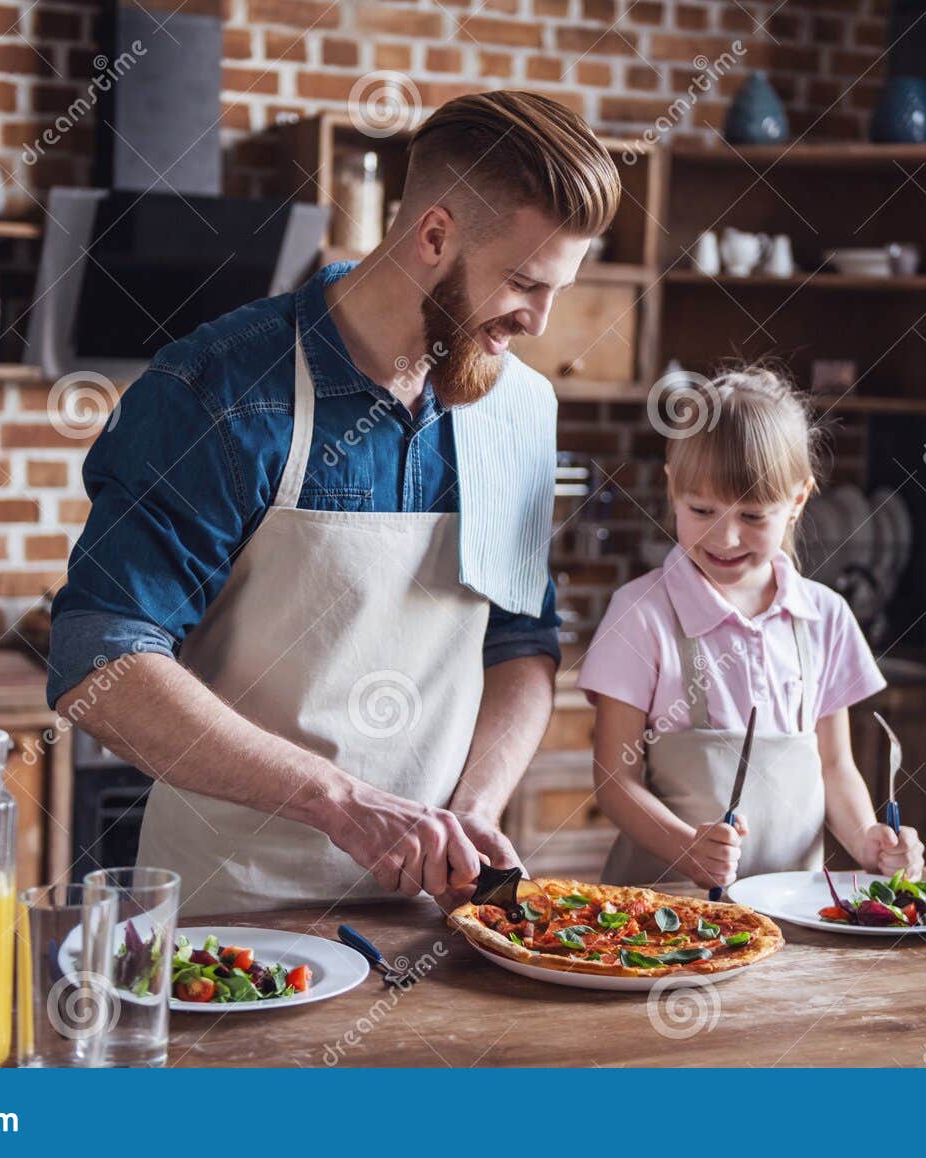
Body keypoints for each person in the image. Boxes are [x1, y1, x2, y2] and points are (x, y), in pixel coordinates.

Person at [47, 91, 621, 913]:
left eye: (558, 288)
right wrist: (341, 804)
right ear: (434, 235)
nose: (539, 321)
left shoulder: (518, 412)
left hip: (431, 917)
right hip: (231, 917)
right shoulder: (223, 391)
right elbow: (97, 658)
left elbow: (519, 640)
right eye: (525, 283)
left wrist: (475, 809)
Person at [578, 367, 925, 889]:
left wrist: (867, 839)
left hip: (791, 919)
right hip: (662, 916)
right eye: (702, 509)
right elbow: (614, 781)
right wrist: (686, 849)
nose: (726, 536)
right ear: (673, 488)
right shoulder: (642, 614)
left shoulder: (825, 618)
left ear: (798, 501)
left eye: (755, 516)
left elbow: (835, 767)